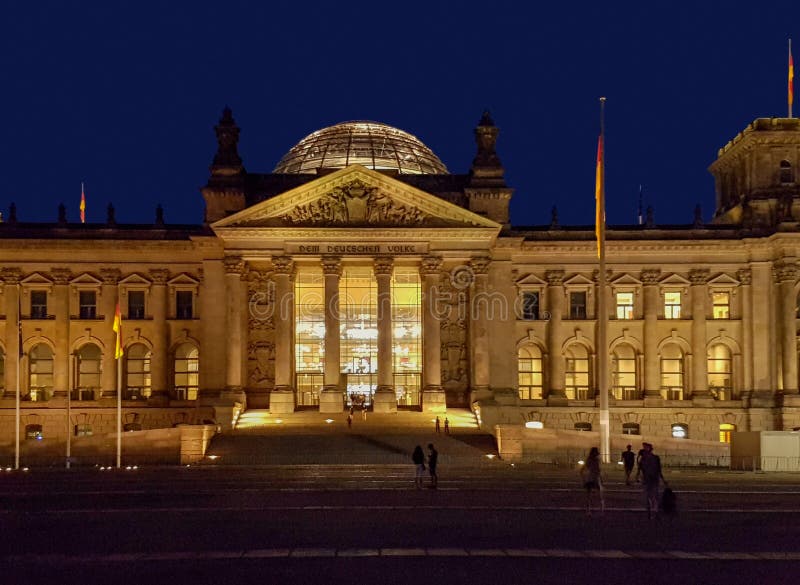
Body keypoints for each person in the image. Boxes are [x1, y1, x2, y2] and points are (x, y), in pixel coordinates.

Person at [639, 443, 667, 519]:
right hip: (648, 479)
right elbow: (641, 469)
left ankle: (654, 512)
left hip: (653, 479)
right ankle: (652, 512)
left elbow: (659, 469)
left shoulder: (654, 458)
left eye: (646, 448)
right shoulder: (644, 459)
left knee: (653, 496)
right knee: (650, 496)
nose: (645, 449)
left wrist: (663, 479)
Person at [580, 447, 604, 516]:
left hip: (589, 478)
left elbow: (582, 470)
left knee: (589, 497)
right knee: (600, 496)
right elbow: (598, 471)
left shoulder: (589, 460)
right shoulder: (597, 460)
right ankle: (601, 510)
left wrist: (583, 480)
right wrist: (601, 480)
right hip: (595, 479)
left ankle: (588, 511)